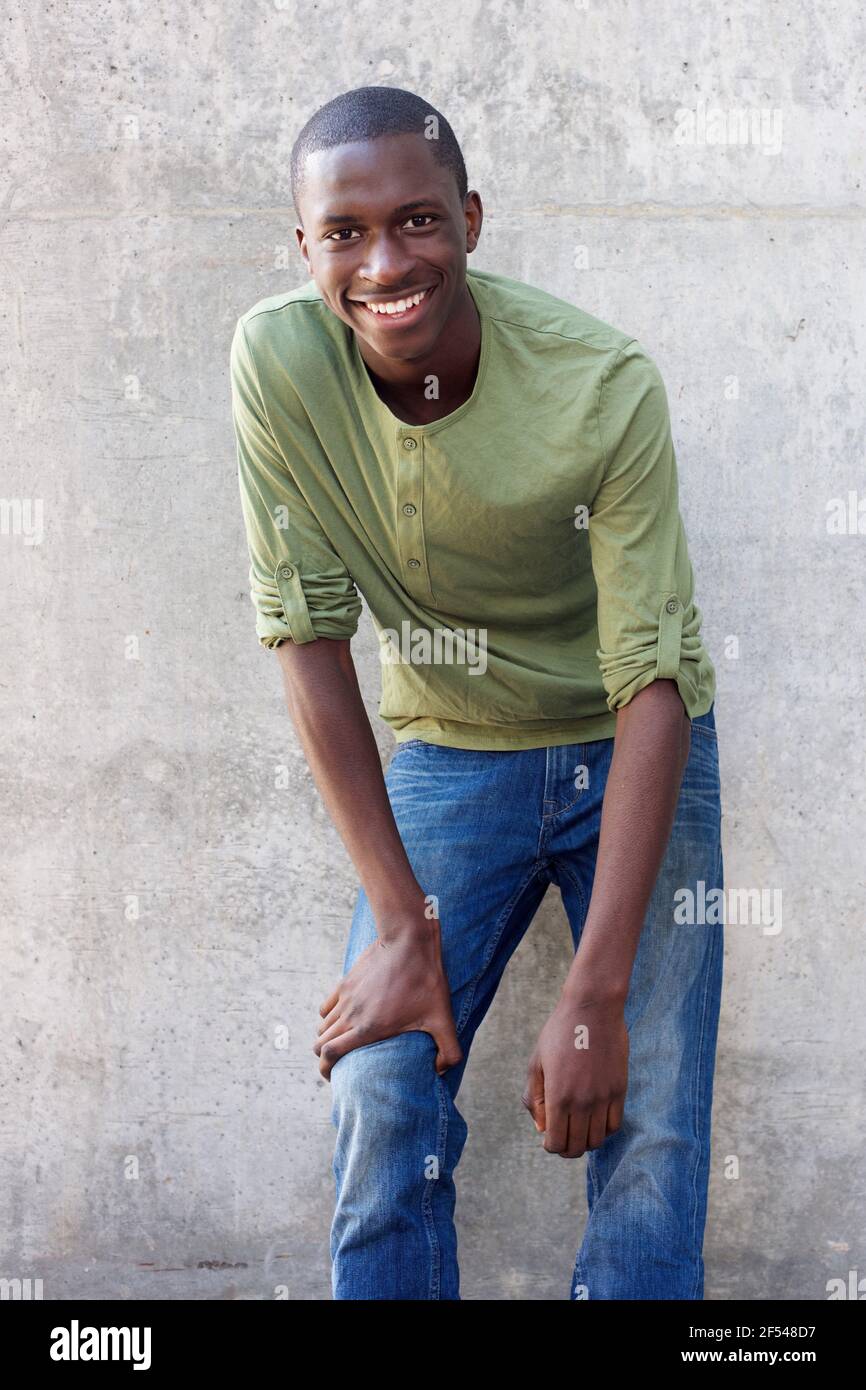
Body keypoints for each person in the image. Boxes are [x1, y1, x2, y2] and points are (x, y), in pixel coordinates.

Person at [229, 85, 724, 1301]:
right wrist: (402, 923)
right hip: (455, 747)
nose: (384, 262)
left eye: (417, 222)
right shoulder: (279, 363)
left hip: (629, 744)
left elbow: (652, 679)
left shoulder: (601, 384)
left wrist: (595, 988)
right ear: (304, 248)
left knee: (649, 1124)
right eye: (343, 233)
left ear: (471, 219)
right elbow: (306, 634)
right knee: (379, 1085)